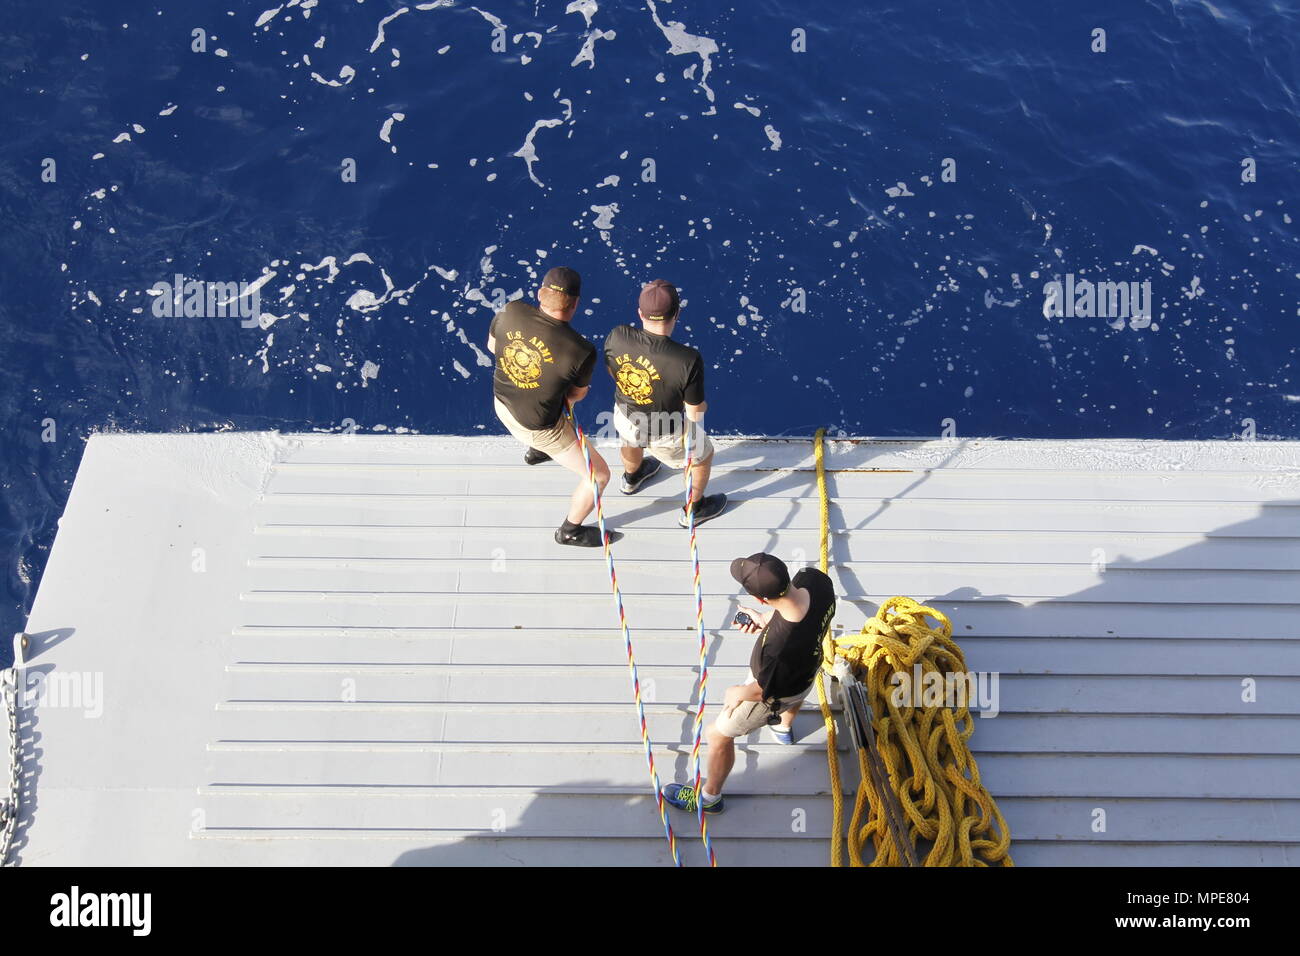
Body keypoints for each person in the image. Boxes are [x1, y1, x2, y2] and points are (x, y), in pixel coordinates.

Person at [662, 552, 836, 814]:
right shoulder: (814, 580)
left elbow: (765, 690)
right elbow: (804, 617)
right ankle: (783, 730)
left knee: (717, 734)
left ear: (759, 598)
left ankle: (710, 798)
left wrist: (738, 692)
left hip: (771, 692)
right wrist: (766, 620)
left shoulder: (777, 651)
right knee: (797, 693)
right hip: (808, 671)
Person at [487, 266, 612, 547]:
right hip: (538, 428)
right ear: (576, 304)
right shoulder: (581, 350)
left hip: (501, 405)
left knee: (544, 410)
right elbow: (574, 398)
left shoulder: (511, 310)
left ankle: (536, 453)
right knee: (599, 476)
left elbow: (492, 345)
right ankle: (570, 531)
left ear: (539, 293)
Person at [602, 279, 726, 527]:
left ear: (640, 313)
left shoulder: (618, 335)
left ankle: (632, 477)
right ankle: (695, 507)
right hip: (665, 431)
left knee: (630, 439)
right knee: (703, 455)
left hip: (624, 414)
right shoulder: (687, 359)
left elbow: (612, 372)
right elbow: (694, 412)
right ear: (677, 313)